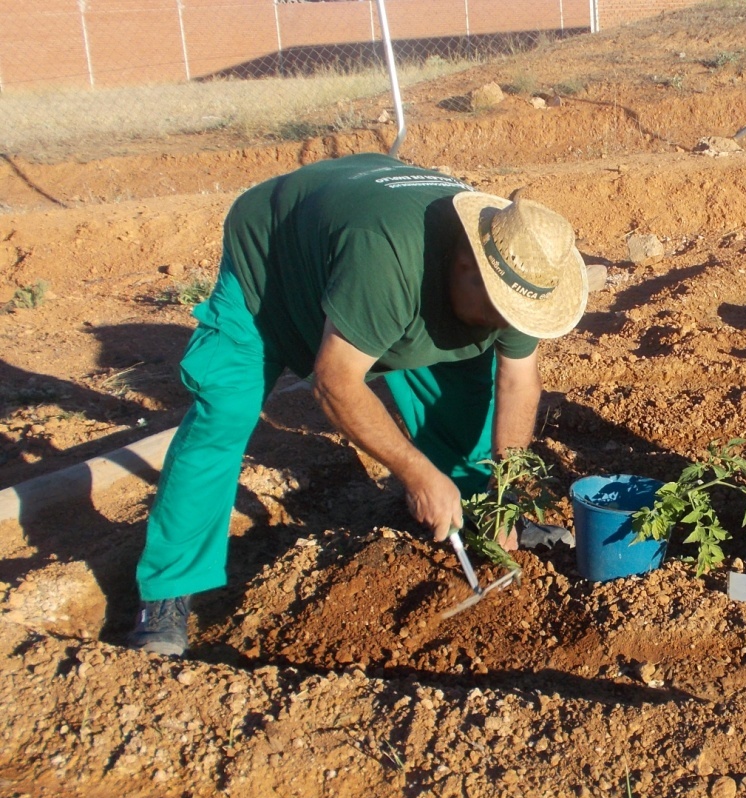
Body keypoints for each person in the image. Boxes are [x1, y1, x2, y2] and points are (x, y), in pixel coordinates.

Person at [127, 153, 588, 656]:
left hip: (376, 263)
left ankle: (476, 513)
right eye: (499, 311)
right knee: (226, 412)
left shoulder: (522, 271)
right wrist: (416, 474)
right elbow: (335, 382)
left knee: (463, 393)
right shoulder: (387, 260)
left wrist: (507, 492)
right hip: (275, 260)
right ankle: (168, 591)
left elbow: (518, 382)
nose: (506, 325)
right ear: (465, 265)